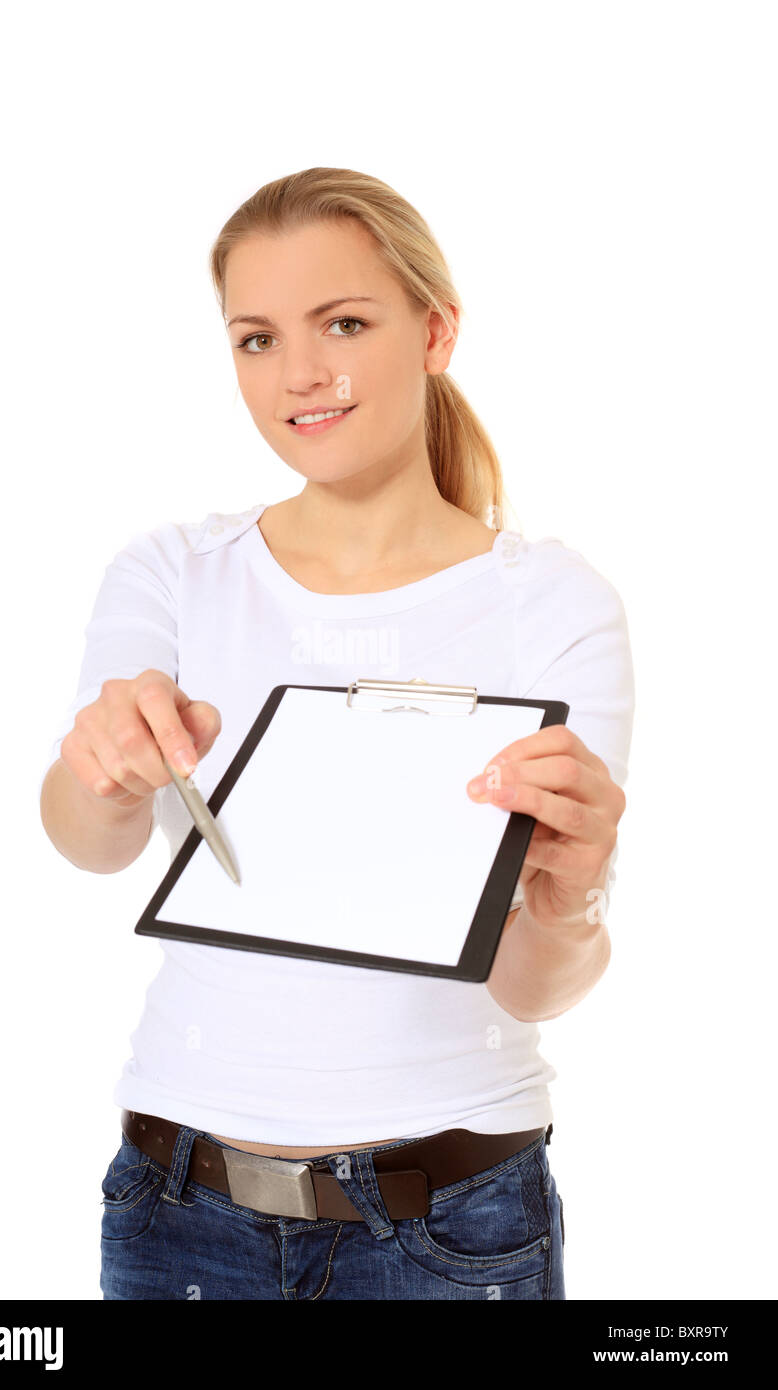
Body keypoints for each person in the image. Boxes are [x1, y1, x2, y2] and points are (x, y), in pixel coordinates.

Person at [39, 166, 634, 1301]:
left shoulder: (552, 605)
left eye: (343, 324)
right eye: (256, 339)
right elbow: (88, 840)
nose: (298, 374)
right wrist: (103, 769)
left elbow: (535, 984)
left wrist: (572, 898)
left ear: (435, 331)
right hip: (177, 1213)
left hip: (452, 1223)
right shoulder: (173, 572)